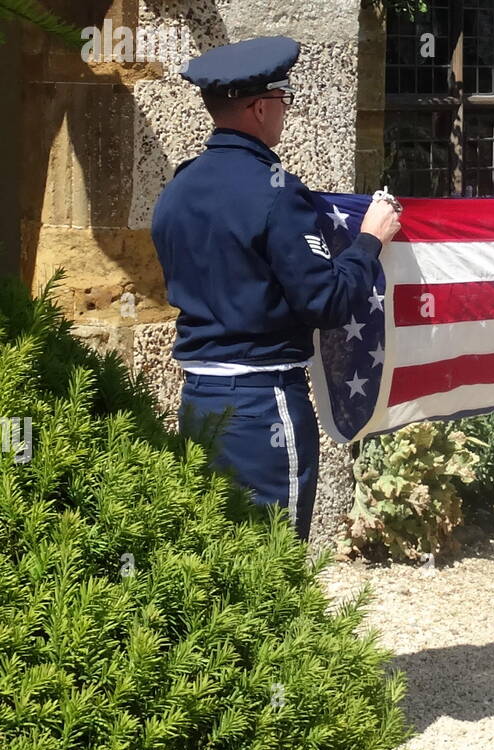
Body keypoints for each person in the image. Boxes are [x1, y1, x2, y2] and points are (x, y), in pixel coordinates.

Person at [150, 36, 400, 539]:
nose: (284, 112)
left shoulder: (178, 187)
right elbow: (326, 301)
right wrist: (369, 242)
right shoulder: (278, 195)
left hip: (198, 399)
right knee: (274, 565)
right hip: (261, 404)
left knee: (213, 558)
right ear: (260, 107)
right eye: (283, 101)